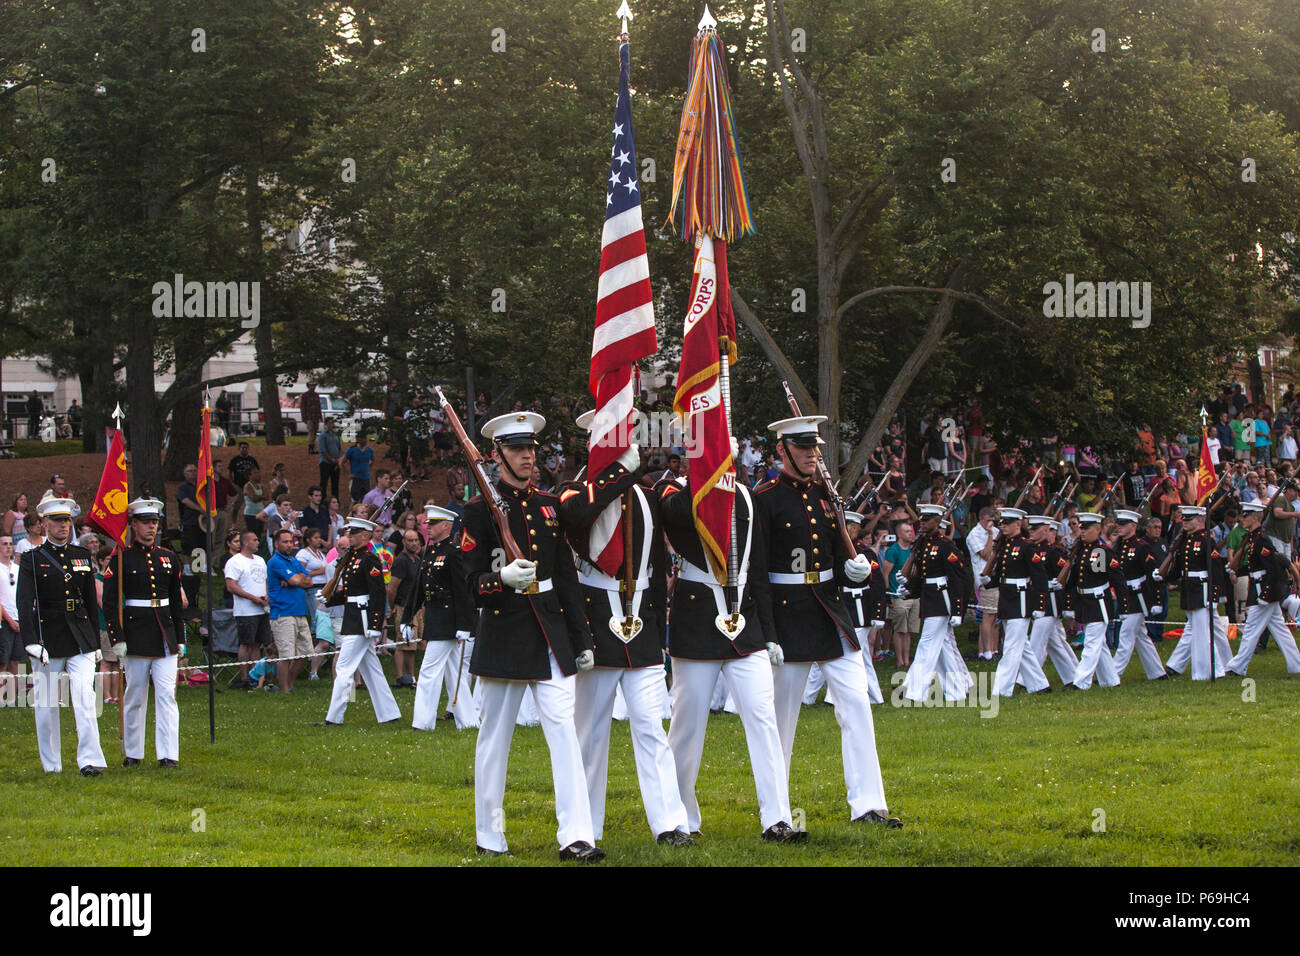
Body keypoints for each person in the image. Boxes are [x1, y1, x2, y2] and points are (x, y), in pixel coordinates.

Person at [460, 411, 602, 861]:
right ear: (496, 455)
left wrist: (581, 641)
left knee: (564, 734)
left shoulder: (547, 504)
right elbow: (467, 582)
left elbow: (565, 578)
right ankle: (490, 835)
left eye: (531, 449)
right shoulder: (477, 510)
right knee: (494, 739)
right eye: (518, 449)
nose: (528, 456)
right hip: (503, 631)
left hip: (550, 635)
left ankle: (577, 836)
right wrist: (498, 578)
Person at [756, 416, 900, 828]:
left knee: (856, 703)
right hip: (786, 616)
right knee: (781, 719)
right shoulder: (764, 497)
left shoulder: (825, 494)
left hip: (830, 612)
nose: (813, 454)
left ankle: (869, 804)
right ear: (782, 450)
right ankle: (777, 813)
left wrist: (854, 569)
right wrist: (766, 632)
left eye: (816, 447)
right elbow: (758, 572)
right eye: (804, 447)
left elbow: (837, 553)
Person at [557, 410, 691, 846]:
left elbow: (656, 564)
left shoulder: (648, 496)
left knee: (651, 726)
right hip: (597, 624)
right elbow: (578, 517)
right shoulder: (574, 490)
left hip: (643, 628)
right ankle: (584, 829)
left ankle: (670, 823)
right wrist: (617, 473)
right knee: (590, 733)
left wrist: (656, 622)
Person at [656, 458, 804, 845]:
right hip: (696, 618)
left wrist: (769, 633)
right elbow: (678, 518)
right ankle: (680, 815)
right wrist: (706, 471)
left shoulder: (746, 497)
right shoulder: (672, 490)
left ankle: (777, 818)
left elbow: (756, 568)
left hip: (745, 619)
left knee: (762, 717)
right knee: (687, 725)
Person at [16, 496, 107, 775]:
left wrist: (95, 638)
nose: (63, 526)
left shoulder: (80, 555)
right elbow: (24, 601)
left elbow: (90, 600)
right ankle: (52, 764)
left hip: (79, 634)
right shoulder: (32, 558)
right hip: (48, 634)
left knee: (84, 695)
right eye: (57, 521)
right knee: (45, 704)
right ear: (44, 524)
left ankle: (90, 760)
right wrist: (31, 641)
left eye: (67, 520)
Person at [101, 498, 184, 767]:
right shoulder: (122, 557)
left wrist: (180, 638)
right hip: (136, 634)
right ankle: (134, 753)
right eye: (146, 523)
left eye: (155, 522)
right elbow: (111, 603)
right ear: (133, 525)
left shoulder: (168, 557)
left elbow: (175, 602)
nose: (152, 527)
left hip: (164, 635)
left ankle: (168, 754)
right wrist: (117, 638)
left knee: (166, 696)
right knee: (135, 694)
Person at [320, 514, 401, 726]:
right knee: (372, 670)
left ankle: (334, 717)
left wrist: (376, 624)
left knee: (344, 668)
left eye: (354, 533)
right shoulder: (354, 558)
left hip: (362, 621)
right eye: (349, 532)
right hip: (353, 616)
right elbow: (349, 592)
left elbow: (377, 594)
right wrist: (329, 598)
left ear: (365, 535)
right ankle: (389, 713)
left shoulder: (370, 559)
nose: (350, 536)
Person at [406, 506, 477, 729]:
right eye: (428, 523)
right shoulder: (431, 552)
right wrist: (407, 617)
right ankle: (468, 720)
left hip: (447, 620)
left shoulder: (454, 553)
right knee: (454, 672)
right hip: (436, 617)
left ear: (446, 526)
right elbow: (419, 589)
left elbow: (462, 591)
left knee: (428, 671)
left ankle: (423, 722)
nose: (428, 527)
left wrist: (465, 624)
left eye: (433, 523)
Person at [901, 504, 974, 702]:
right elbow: (922, 575)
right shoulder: (923, 543)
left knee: (927, 644)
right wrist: (908, 589)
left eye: (927, 520)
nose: (922, 523)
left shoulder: (945, 545)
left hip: (942, 600)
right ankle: (958, 689)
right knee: (945, 648)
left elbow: (959, 580)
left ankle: (915, 691)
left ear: (938, 522)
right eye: (922, 520)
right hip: (930, 597)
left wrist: (959, 610)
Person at [1225, 501, 1300, 676]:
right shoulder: (1252, 539)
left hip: (1263, 592)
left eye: (1245, 516)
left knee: (1251, 630)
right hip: (1261, 589)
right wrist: (1236, 569)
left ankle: (1237, 667)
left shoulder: (1261, 540)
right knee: (1281, 631)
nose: (1241, 519)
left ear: (1254, 517)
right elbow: (1255, 567)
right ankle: (1296, 665)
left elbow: (1273, 570)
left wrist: (1265, 595)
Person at [1161, 506, 1233, 680]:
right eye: (1184, 519)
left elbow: (1216, 571)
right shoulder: (1186, 540)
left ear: (1200, 520)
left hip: (1202, 589)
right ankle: (1229, 663)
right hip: (1189, 588)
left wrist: (1215, 596)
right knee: (1208, 629)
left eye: (1189, 519)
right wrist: (1163, 576)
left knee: (1202, 633)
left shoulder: (1206, 540)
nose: (1184, 522)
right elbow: (1179, 568)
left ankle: (1205, 672)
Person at [988, 507, 1051, 696]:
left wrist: (1040, 604)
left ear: (1018, 524)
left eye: (1007, 523)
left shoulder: (1026, 546)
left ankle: (1001, 689)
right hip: (1007, 598)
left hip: (1021, 599)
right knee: (1021, 646)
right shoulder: (1005, 546)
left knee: (1012, 646)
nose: (1003, 527)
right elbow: (1001, 573)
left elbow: (1039, 577)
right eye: (1002, 523)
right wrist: (989, 581)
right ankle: (1039, 684)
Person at [1060, 512, 1123, 690]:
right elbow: (1076, 578)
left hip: (1097, 601)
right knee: (1099, 645)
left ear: (1097, 529)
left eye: (1086, 528)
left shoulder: (1100, 552)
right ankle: (1111, 680)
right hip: (1084, 601)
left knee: (1091, 644)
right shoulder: (1082, 550)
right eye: (1081, 528)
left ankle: (1081, 682)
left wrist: (1124, 605)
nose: (1082, 531)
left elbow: (1102, 577)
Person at [1111, 509, 1167, 681]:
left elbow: (1153, 575)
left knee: (1126, 636)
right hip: (1125, 594)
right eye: (1118, 524)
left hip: (1137, 596)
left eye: (1123, 524)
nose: (1119, 527)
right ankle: (1157, 672)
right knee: (1141, 636)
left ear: (1133, 526)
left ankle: (1112, 674)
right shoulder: (1119, 546)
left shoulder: (1142, 547)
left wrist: (1157, 601)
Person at [1023, 514, 1078, 686]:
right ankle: (1073, 677)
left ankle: (1027, 680)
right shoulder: (1030, 549)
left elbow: (1067, 577)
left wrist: (1064, 596)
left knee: (1036, 642)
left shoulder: (1054, 552)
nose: (1031, 531)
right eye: (1030, 528)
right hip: (1037, 598)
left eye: (1035, 528)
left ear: (1046, 530)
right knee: (1055, 644)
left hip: (1049, 601)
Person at [266, 528, 313, 694]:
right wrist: (294, 579)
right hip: (283, 613)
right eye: (285, 542)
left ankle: (290, 684)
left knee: (306, 652)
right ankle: (284, 690)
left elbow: (309, 581)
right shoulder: (275, 561)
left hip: (300, 611)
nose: (289, 544)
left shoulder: (293, 560)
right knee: (286, 655)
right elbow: (296, 579)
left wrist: (294, 580)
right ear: (277, 543)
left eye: (291, 541)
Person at [224, 531, 272, 687]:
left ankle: (255, 676)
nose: (258, 542)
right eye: (255, 540)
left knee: (257, 643)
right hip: (245, 611)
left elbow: (264, 580)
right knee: (246, 643)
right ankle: (245, 677)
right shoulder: (235, 562)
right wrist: (252, 598)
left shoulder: (260, 560)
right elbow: (231, 586)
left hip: (261, 609)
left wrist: (265, 596)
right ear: (245, 543)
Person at [387, 528, 424, 688]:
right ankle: (400, 677)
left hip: (416, 608)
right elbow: (392, 588)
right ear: (403, 542)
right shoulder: (401, 561)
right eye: (410, 540)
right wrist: (392, 607)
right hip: (403, 606)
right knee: (402, 643)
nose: (414, 543)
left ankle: (411, 676)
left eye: (416, 540)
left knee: (413, 644)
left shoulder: (416, 559)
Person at [881, 519, 917, 667]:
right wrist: (888, 594)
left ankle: (907, 660)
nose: (911, 534)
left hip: (912, 595)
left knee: (908, 630)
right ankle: (899, 660)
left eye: (911, 531)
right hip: (898, 594)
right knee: (899, 629)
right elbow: (885, 573)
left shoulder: (914, 549)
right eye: (907, 531)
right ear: (899, 534)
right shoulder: (893, 550)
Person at [0, 533, 25, 706]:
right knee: (2, 661)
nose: (8, 547)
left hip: (19, 618)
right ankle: (1, 696)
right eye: (4, 544)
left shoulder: (17, 569)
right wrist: (9, 620)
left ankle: (13, 698)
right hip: (4, 620)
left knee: (16, 660)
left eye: (10, 544)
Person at [343, 433, 375, 505]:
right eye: (362, 439)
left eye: (365, 439)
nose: (365, 441)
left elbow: (372, 460)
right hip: (356, 478)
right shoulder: (352, 450)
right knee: (355, 500)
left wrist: (368, 469)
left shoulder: (369, 450)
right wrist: (347, 474)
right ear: (358, 439)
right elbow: (342, 462)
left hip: (366, 478)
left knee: (366, 499)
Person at [318, 418, 343, 501]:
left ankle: (335, 500)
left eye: (332, 423)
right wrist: (331, 459)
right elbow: (322, 450)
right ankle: (322, 500)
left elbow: (339, 448)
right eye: (329, 423)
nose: (331, 425)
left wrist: (339, 459)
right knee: (324, 482)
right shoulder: (322, 436)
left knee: (335, 483)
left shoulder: (336, 435)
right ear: (326, 424)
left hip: (335, 462)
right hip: (325, 463)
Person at [242, 467, 267, 536]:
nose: (258, 475)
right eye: (255, 473)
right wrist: (262, 496)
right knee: (252, 534)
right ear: (249, 475)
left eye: (258, 473)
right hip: (251, 514)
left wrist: (259, 496)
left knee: (259, 534)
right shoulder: (247, 486)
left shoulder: (260, 485)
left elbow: (267, 496)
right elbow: (254, 498)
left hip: (260, 514)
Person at [301, 383, 322, 455]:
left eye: (314, 385)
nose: (313, 387)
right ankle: (310, 448)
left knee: (315, 432)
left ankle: (313, 447)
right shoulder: (305, 395)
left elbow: (319, 407)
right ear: (308, 386)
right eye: (311, 385)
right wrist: (304, 418)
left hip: (316, 416)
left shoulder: (317, 395)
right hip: (309, 417)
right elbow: (303, 408)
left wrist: (320, 417)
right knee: (311, 431)